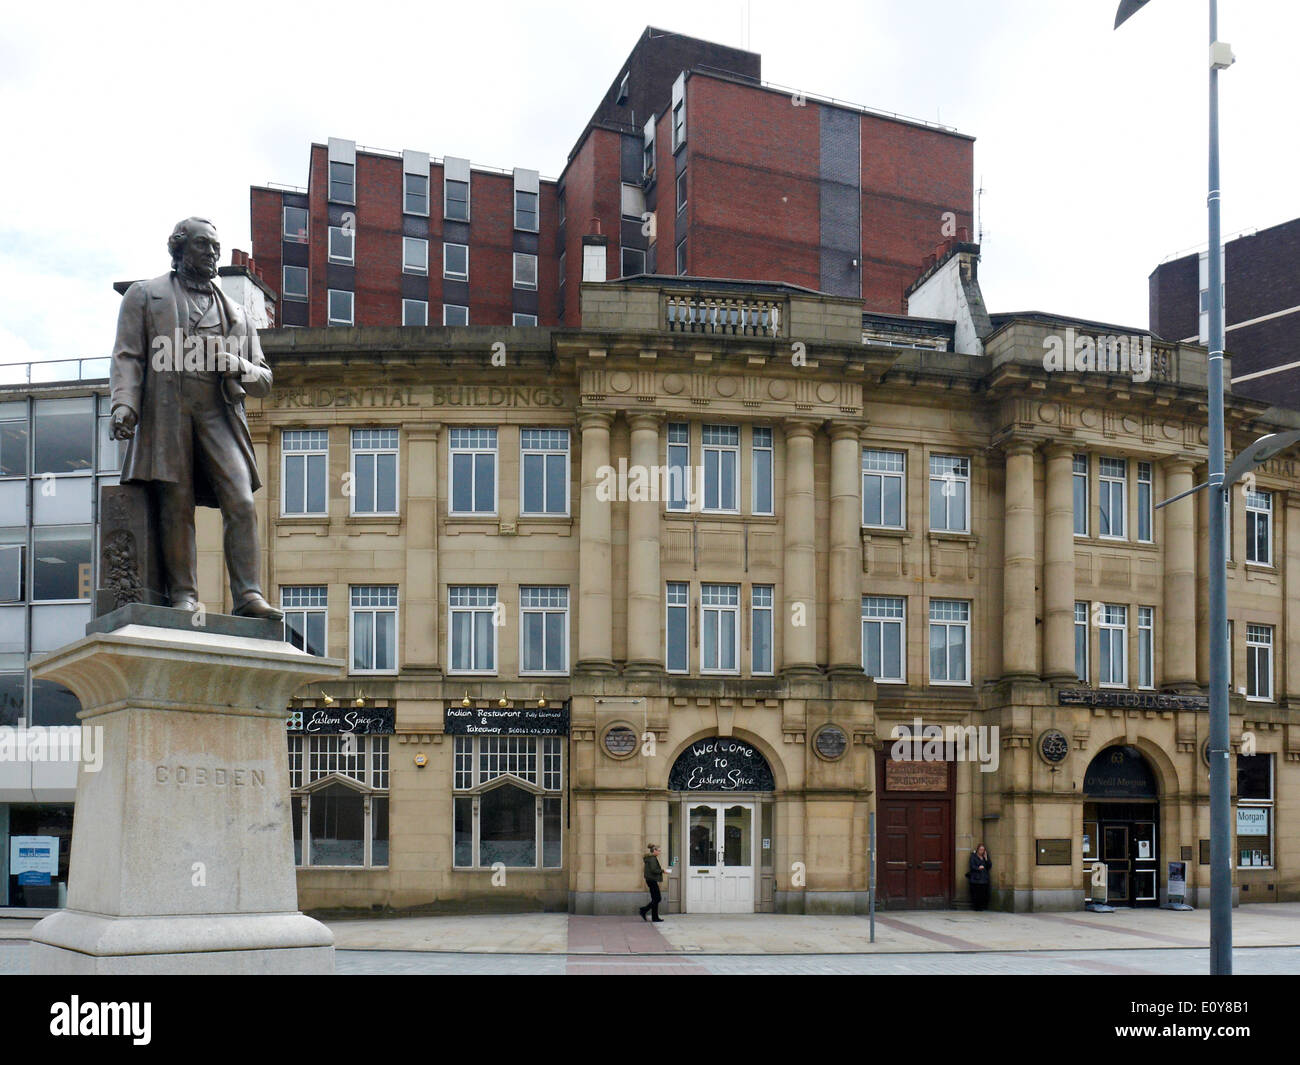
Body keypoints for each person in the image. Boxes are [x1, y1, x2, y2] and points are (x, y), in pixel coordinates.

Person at [110, 217, 282, 619]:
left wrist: (237, 363)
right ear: (180, 248)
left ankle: (248, 595)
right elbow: (128, 356)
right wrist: (124, 404)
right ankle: (184, 595)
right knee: (176, 504)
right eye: (204, 245)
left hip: (219, 413)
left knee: (240, 499)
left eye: (216, 247)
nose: (213, 253)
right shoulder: (144, 295)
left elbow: (264, 378)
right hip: (166, 412)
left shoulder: (237, 313)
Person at [638, 844, 666, 922]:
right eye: (659, 850)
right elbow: (654, 870)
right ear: (654, 851)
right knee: (657, 898)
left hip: (650, 880)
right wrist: (663, 871)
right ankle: (643, 910)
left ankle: (655, 917)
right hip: (652, 880)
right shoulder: (652, 858)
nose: (659, 852)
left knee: (655, 899)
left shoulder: (650, 858)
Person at [968, 843, 992, 911]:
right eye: (980, 849)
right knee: (976, 894)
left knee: (983, 893)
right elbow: (972, 866)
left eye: (983, 850)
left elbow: (989, 866)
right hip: (976, 878)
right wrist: (978, 868)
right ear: (978, 850)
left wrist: (986, 858)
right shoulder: (973, 856)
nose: (982, 851)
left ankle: (982, 906)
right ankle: (976, 907)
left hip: (984, 878)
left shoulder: (985, 857)